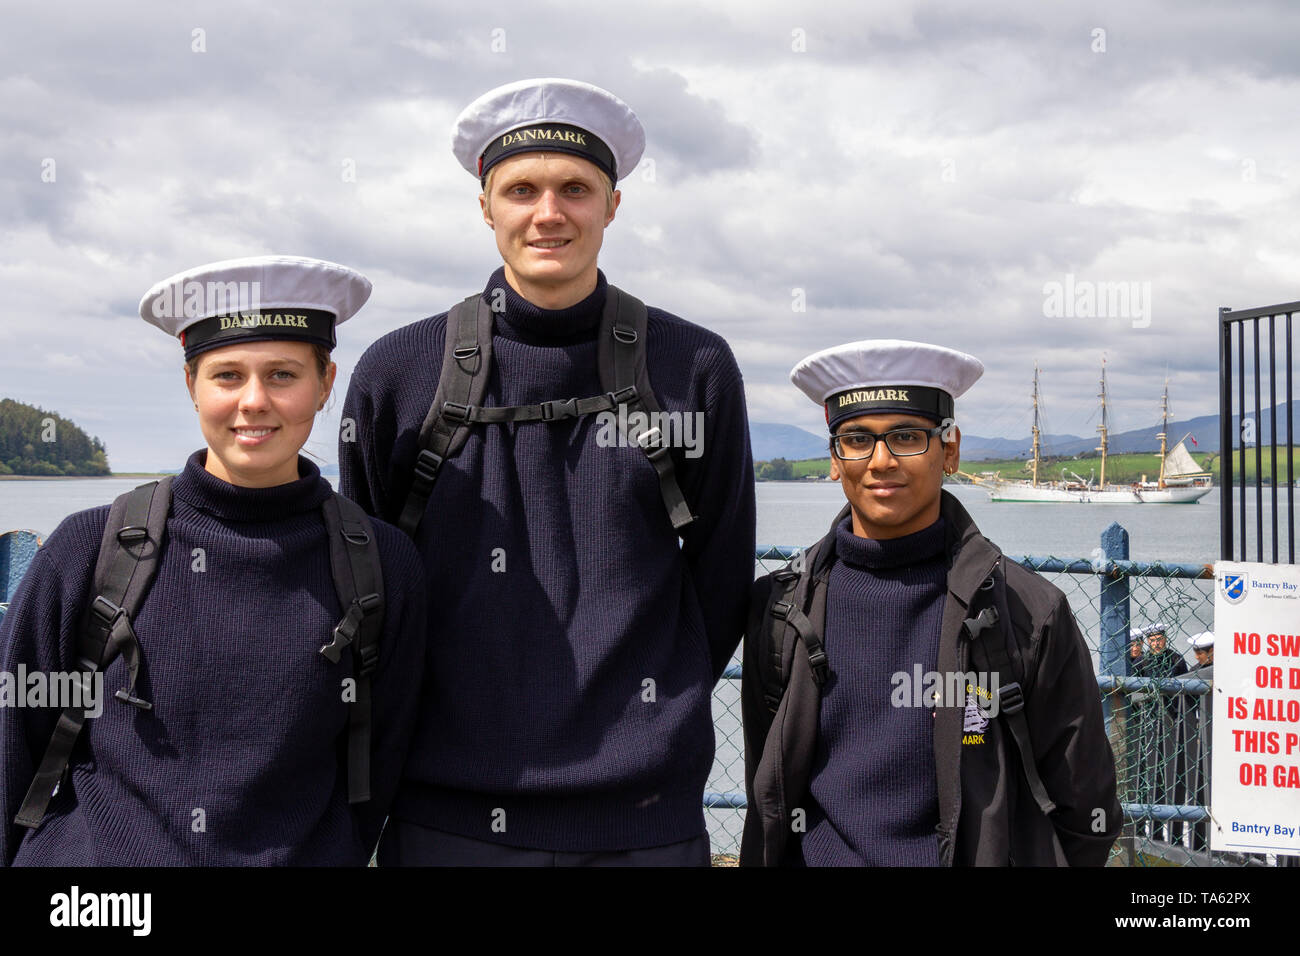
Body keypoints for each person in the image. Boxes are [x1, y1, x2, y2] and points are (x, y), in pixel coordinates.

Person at [340, 78, 756, 865]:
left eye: (576, 189)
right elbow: (369, 584)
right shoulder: (397, 374)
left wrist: (652, 716)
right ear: (485, 206)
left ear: (613, 205)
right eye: (521, 190)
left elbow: (722, 573)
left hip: (643, 821)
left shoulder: (693, 367)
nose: (549, 213)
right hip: (445, 819)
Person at [0, 256, 427, 865]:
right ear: (190, 384)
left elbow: (377, 764)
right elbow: (13, 745)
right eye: (227, 375)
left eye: (283, 374)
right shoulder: (91, 550)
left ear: (326, 382)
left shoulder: (382, 566)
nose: (254, 402)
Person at [741, 339, 1120, 866]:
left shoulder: (1027, 612)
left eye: (907, 437)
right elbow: (771, 791)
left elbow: (1086, 807)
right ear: (834, 459)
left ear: (950, 449)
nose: (880, 461)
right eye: (856, 440)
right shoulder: (781, 608)